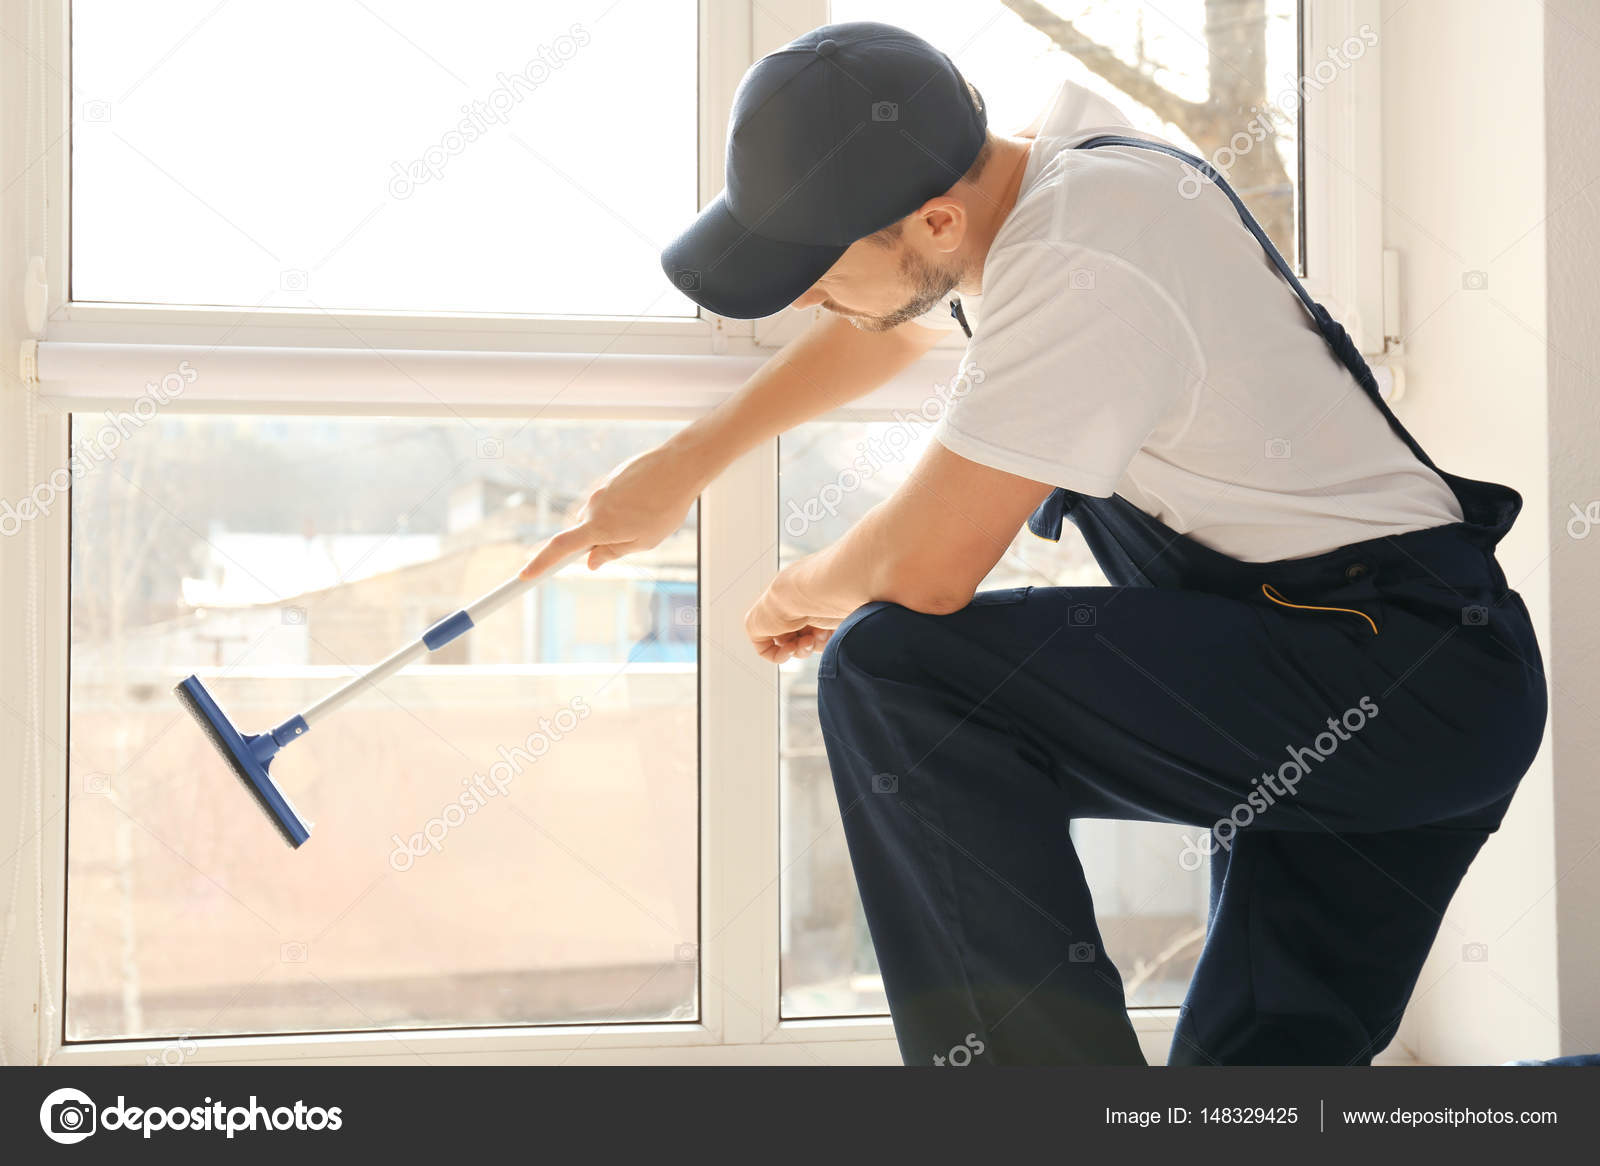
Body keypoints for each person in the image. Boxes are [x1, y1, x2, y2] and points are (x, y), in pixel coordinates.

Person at [520, 21, 1547, 1065]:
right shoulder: (1047, 182)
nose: (801, 296)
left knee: (900, 678)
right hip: (1394, 676)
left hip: (1382, 675)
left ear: (933, 216)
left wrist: (802, 586)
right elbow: (901, 316)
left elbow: (924, 567)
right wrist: (686, 464)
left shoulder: (1084, 247)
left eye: (813, 270)